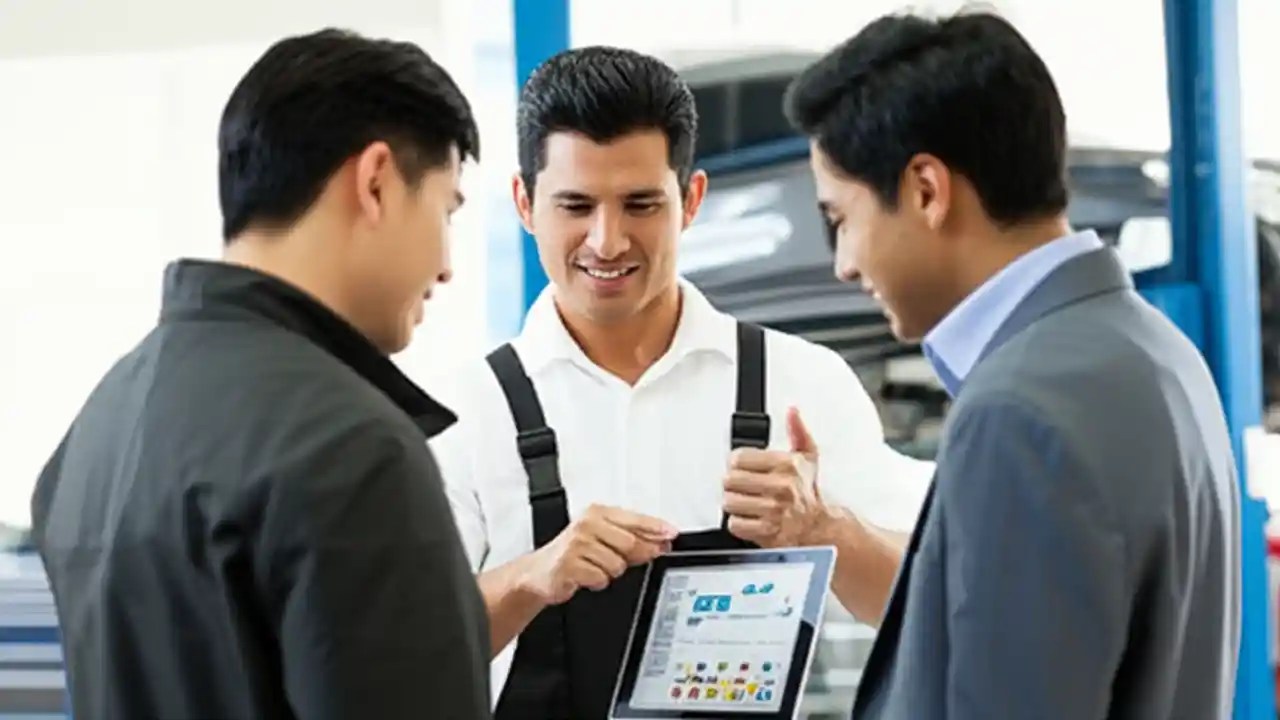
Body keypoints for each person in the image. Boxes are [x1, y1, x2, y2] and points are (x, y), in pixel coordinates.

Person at [429, 45, 932, 719]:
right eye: (576, 205)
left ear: (690, 199)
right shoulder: (465, 412)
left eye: (641, 204)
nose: (607, 241)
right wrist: (532, 576)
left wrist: (826, 529)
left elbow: (925, 605)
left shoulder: (799, 383)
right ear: (525, 203)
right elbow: (403, 656)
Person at [784, 11, 1242, 719]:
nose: (844, 265)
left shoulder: (1019, 409)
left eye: (839, 219)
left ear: (926, 191)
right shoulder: (1155, 353)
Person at [30, 29, 491, 720]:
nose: (448, 264)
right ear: (375, 182)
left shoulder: (98, 427)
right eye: (446, 209)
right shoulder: (351, 448)